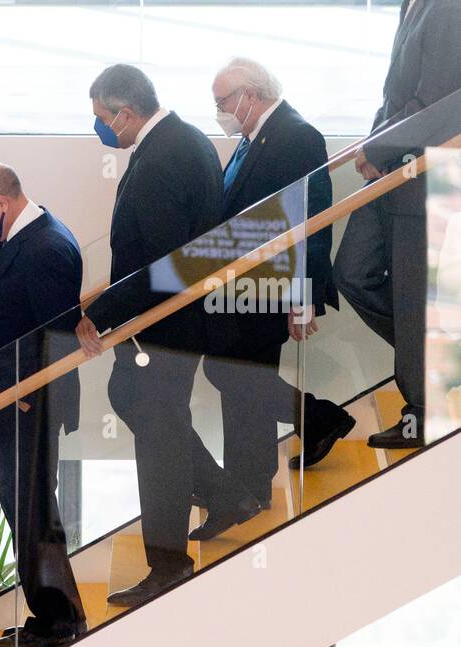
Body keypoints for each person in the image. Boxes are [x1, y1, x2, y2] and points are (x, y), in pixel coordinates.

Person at [76, 65, 240, 608]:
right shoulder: (182, 139)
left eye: (103, 118)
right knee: (130, 399)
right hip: (168, 320)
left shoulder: (163, 158)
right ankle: (225, 493)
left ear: (125, 112)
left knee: (160, 440)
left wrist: (98, 314)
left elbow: (162, 263)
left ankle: (168, 565)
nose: (101, 128)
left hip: (165, 325)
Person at [188, 58, 355, 539]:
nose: (220, 110)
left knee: (228, 370)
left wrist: (304, 297)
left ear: (251, 94)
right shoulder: (254, 136)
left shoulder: (296, 135)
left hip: (272, 284)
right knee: (244, 381)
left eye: (223, 101)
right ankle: (253, 486)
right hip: (245, 283)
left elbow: (312, 218)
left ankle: (319, 417)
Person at [0, 161, 90, 647]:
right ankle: (50, 613)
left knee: (31, 509)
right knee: (22, 506)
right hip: (9, 400)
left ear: (1, 203)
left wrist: (25, 388)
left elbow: (57, 335)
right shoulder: (14, 244)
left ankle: (57, 621)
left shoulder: (47, 247)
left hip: (29, 401)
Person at [334, 0, 461, 448]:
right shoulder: (412, 4)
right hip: (393, 169)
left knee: (410, 300)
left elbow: (437, 101)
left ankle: (423, 410)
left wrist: (381, 147)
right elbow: (394, 96)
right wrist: (373, 145)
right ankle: (439, 359)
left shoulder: (447, 7)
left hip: (423, 175)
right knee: (351, 273)